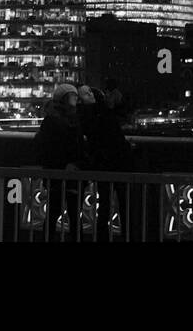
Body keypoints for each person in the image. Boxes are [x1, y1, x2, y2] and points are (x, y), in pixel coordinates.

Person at [35, 83, 86, 242]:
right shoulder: (61, 121)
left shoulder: (56, 120)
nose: (75, 101)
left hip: (62, 174)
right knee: (65, 214)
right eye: (72, 97)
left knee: (59, 214)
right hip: (63, 174)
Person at [85, 83, 135, 242]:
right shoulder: (106, 118)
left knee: (105, 207)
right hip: (117, 167)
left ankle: (102, 236)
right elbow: (116, 139)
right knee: (125, 206)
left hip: (102, 167)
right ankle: (127, 235)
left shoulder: (92, 117)